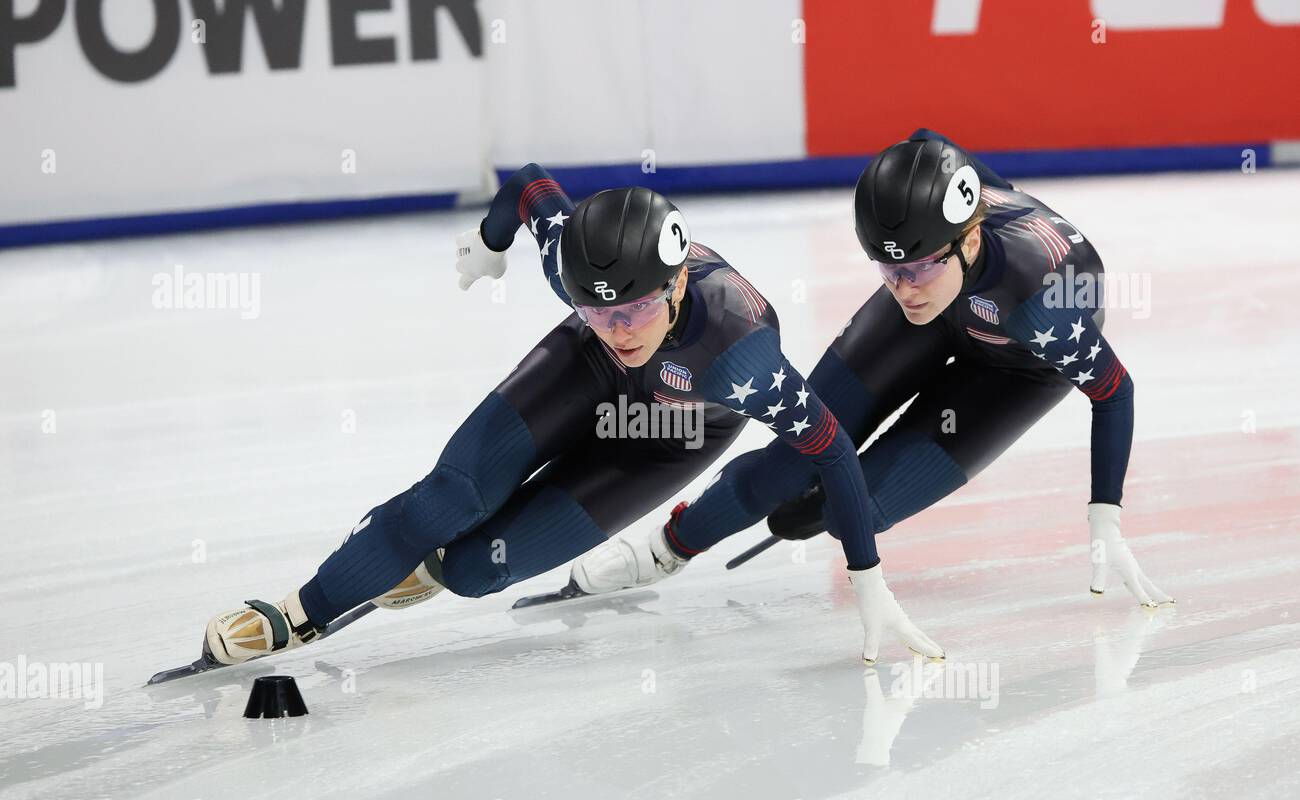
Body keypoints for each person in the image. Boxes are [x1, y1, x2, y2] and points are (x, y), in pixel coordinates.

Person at [200, 164, 943, 668]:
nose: (622, 327)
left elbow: (834, 450)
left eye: (640, 307)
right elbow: (526, 185)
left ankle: (428, 560)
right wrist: (491, 245)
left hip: (678, 430)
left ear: (678, 282)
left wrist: (868, 581)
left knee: (470, 569)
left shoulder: (739, 354)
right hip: (579, 373)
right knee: (450, 497)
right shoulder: (575, 266)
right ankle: (300, 608)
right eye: (600, 308)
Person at [570, 129, 1173, 623]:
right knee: (790, 460)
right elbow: (927, 143)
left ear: (968, 239)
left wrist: (1106, 521)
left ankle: (824, 503)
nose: (902, 285)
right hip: (941, 318)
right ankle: (666, 548)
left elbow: (1116, 391)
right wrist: (917, 270)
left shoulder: (1046, 296)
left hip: (1021, 368)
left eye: (915, 268)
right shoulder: (925, 266)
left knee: (846, 510)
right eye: (888, 267)